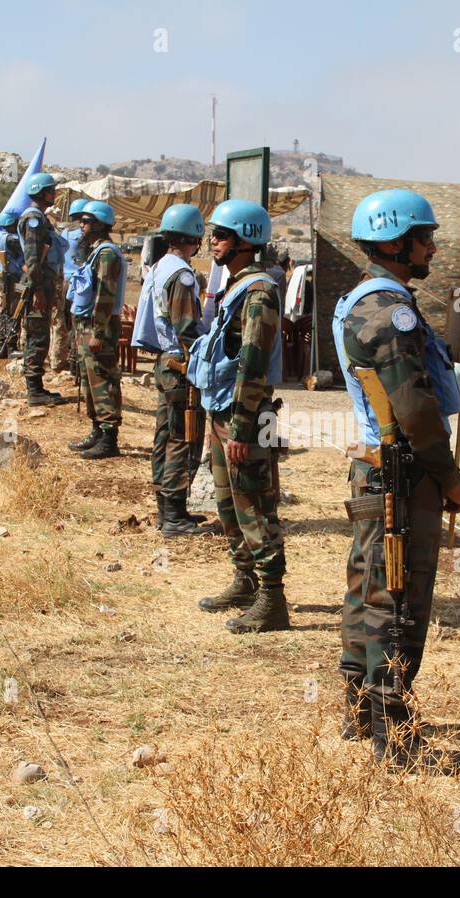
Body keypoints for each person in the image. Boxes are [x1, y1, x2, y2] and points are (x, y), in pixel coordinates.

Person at [332, 188, 460, 772]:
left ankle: (360, 708)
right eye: (425, 238)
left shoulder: (364, 302)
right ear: (395, 242)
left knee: (367, 588)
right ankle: (395, 735)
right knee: (398, 597)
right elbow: (414, 411)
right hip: (401, 474)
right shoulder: (390, 312)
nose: (433, 249)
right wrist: (449, 478)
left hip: (376, 469)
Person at [189, 200, 288, 631]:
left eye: (223, 234)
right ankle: (244, 579)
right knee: (228, 504)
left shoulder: (259, 291)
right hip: (222, 410)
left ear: (246, 239)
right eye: (214, 233)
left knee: (254, 506)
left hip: (244, 415)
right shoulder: (234, 286)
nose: (213, 240)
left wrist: (243, 428)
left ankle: (272, 598)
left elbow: (252, 363)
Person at [131, 203, 209, 536]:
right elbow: (187, 328)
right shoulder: (182, 274)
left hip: (165, 361)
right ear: (195, 239)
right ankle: (174, 515)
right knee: (183, 437)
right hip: (181, 364)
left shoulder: (160, 266)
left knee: (165, 434)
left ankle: (167, 510)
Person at [66, 200, 126, 460]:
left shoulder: (107, 254)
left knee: (103, 380)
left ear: (101, 224)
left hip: (98, 324)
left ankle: (109, 436)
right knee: (90, 381)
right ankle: (97, 431)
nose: (82, 225)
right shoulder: (95, 251)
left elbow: (105, 295)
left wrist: (99, 333)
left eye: (87, 221)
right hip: (87, 323)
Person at [17, 173, 67, 405]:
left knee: (41, 335)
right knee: (37, 337)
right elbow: (33, 257)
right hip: (38, 286)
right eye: (51, 190)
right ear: (43, 192)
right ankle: (34, 390)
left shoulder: (39, 218)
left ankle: (37, 387)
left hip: (43, 285)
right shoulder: (34, 219)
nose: (54, 194)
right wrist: (37, 290)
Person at [55, 199, 87, 381]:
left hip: (63, 281)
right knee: (78, 324)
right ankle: (75, 363)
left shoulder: (64, 232)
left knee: (67, 323)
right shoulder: (82, 235)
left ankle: (67, 358)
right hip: (78, 284)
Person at [0, 210, 25, 358]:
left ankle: (2, 343)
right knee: (15, 310)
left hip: (3, 279)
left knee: (5, 311)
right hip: (13, 279)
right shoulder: (12, 239)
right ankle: (11, 346)